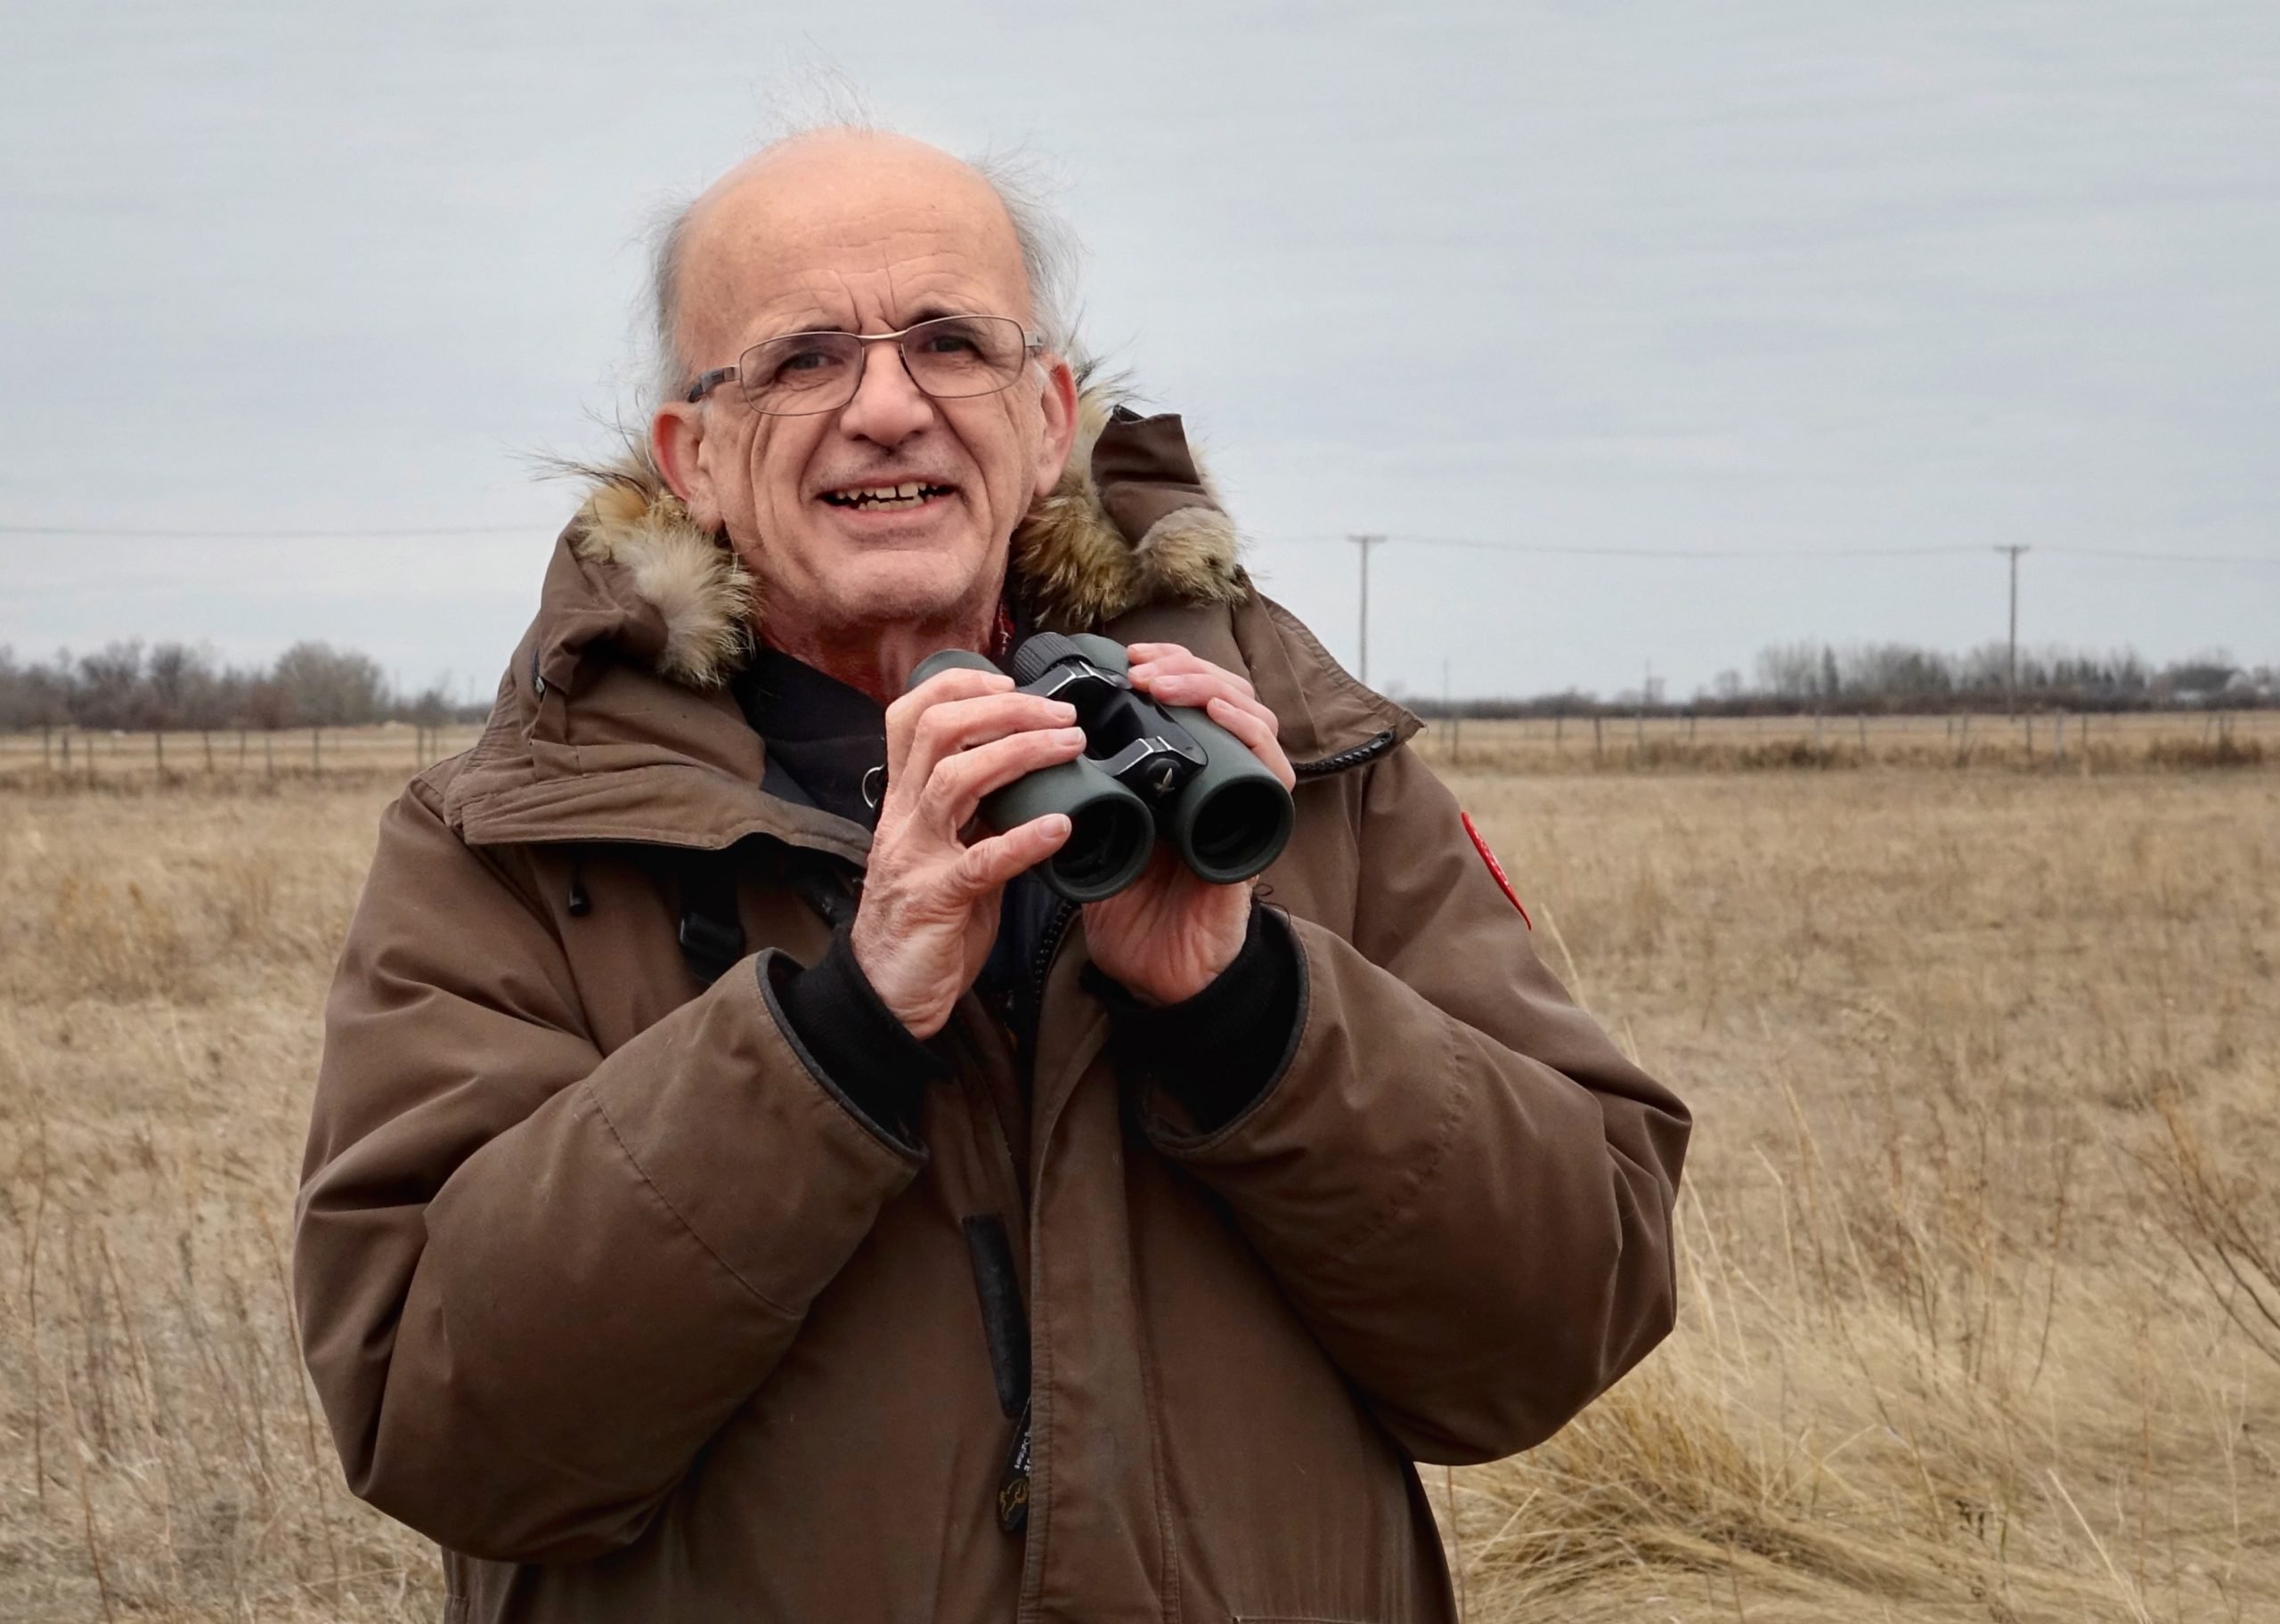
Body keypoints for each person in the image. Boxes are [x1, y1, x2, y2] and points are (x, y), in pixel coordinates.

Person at [293, 126, 1690, 1624]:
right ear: (690, 459)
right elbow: (444, 1424)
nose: (886, 409)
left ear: (1044, 418)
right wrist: (835, 1038)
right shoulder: (521, 838)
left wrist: (1249, 1009)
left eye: (950, 344)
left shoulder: (1296, 770)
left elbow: (1562, 1324)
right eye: (803, 358)